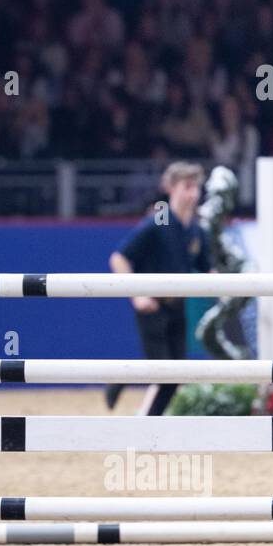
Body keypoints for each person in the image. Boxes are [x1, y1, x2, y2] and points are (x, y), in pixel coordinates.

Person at [106, 161, 212, 416]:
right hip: (153, 307)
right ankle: (145, 424)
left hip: (178, 309)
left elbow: (208, 271)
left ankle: (124, 380)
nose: (193, 194)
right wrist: (138, 295)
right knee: (165, 374)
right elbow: (119, 258)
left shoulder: (197, 231)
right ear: (171, 188)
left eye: (196, 187)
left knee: (175, 374)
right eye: (187, 186)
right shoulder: (156, 223)